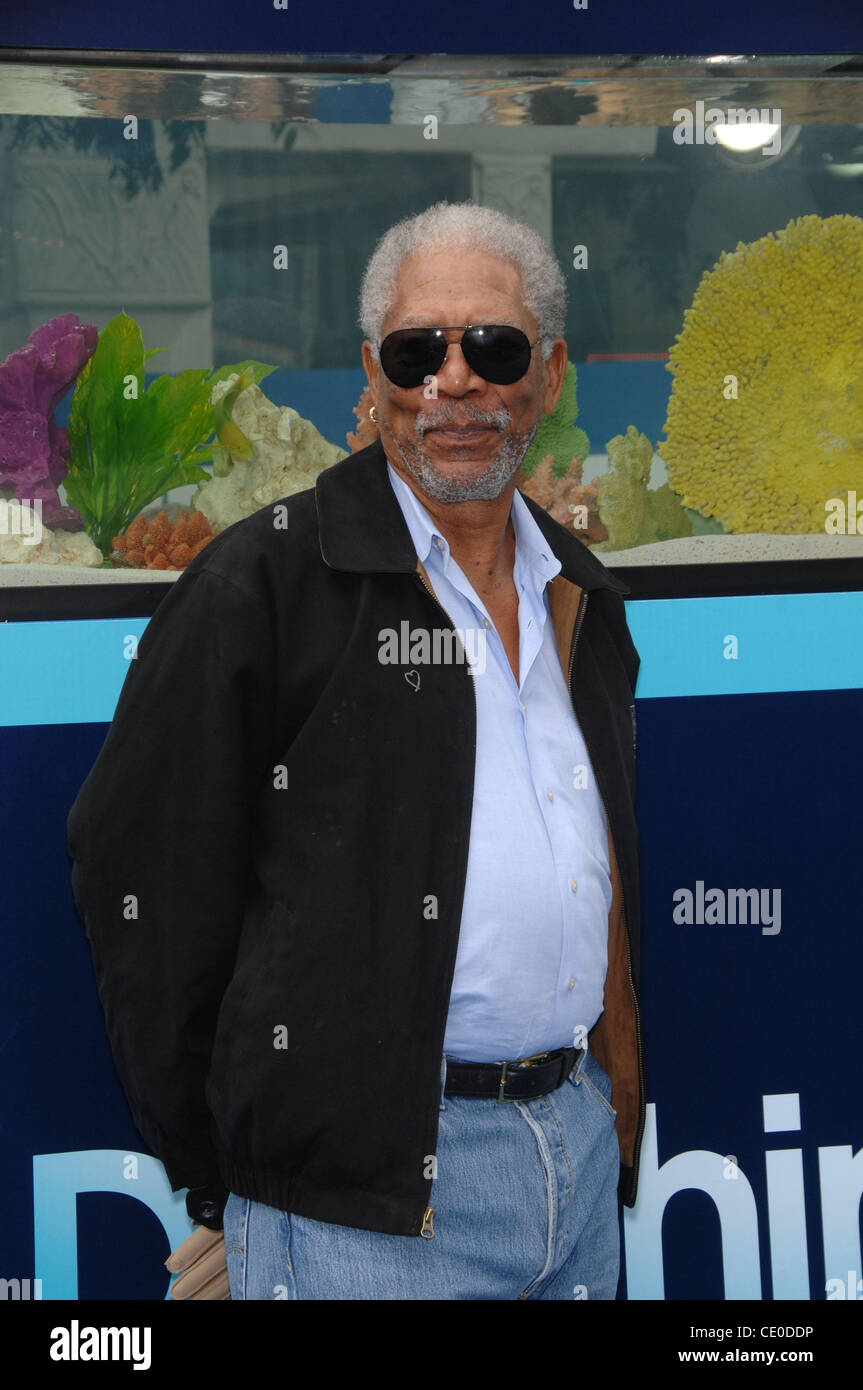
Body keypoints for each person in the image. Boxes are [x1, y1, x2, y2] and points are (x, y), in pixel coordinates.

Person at [67, 199, 644, 1301]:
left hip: (576, 1161)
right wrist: (244, 1176)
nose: (455, 380)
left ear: (552, 374)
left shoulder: (580, 591)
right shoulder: (261, 585)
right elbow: (139, 883)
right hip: (359, 1205)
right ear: (373, 372)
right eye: (419, 348)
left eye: (496, 346)